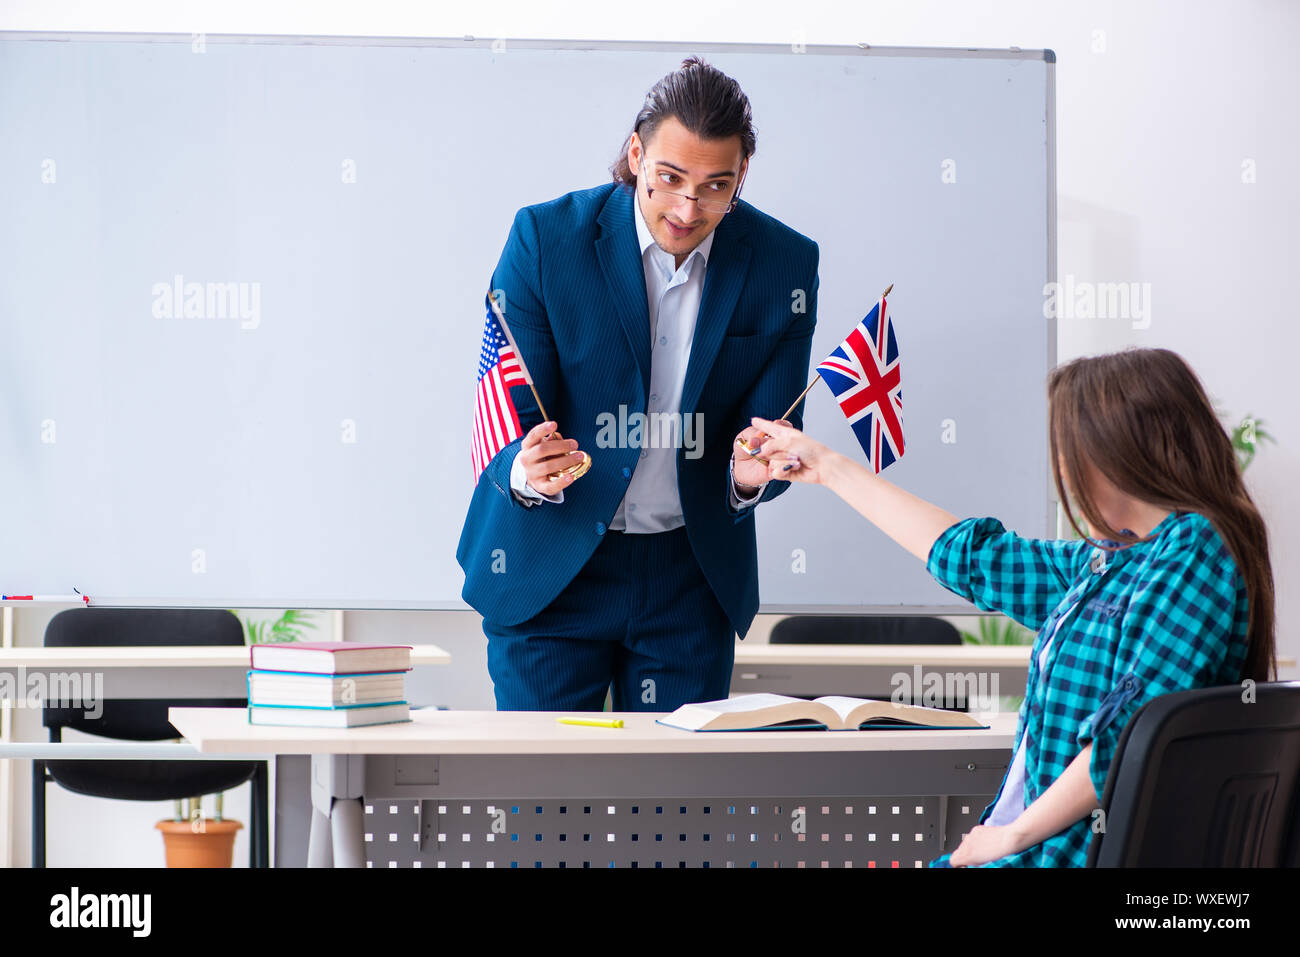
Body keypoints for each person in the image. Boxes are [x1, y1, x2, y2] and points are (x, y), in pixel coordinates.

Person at [749, 347, 1276, 867]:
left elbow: (1132, 734)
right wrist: (828, 466)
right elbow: (974, 558)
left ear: (1115, 453)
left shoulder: (1193, 548)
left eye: (1068, 456)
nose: (1062, 477)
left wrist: (1009, 838)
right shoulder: (1112, 561)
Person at [456, 57, 819, 711]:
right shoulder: (546, 239)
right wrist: (525, 470)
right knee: (545, 808)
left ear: (741, 178)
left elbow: (768, 436)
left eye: (716, 186)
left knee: (678, 810)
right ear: (635, 153)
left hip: (689, 576)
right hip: (552, 567)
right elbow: (510, 406)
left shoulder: (784, 263)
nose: (687, 207)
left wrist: (748, 475)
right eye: (670, 177)